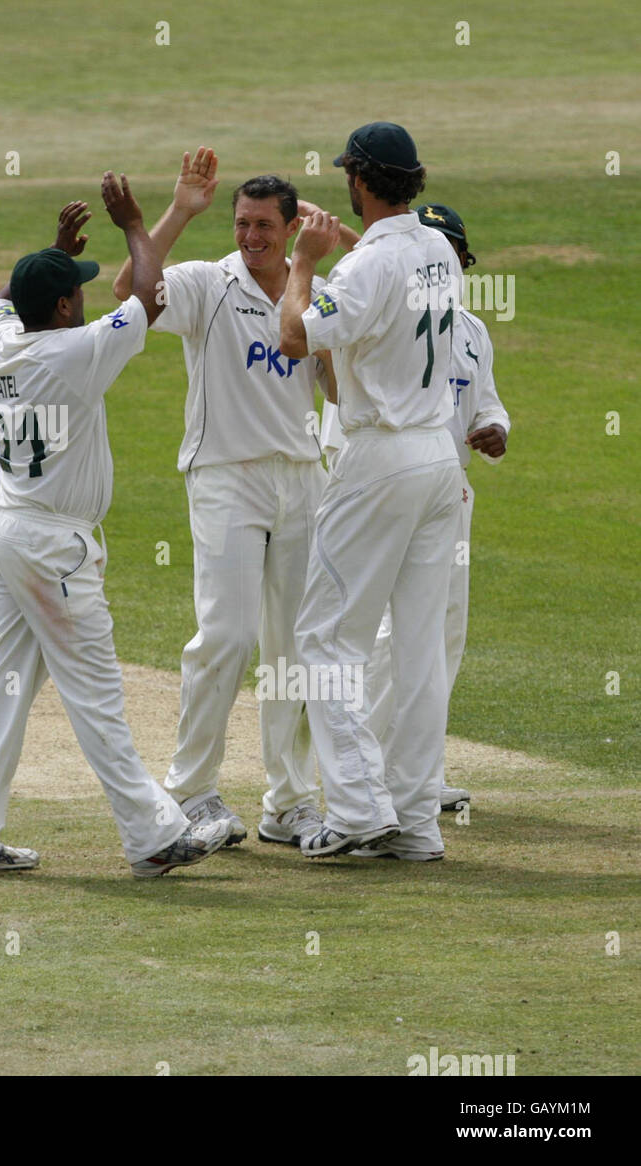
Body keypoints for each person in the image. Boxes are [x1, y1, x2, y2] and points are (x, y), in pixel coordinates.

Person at [0, 174, 231, 879]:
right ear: (64, 306)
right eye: (76, 289)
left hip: (8, 529)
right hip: (50, 547)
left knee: (2, 688)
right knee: (95, 693)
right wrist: (134, 224)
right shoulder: (74, 353)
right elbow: (148, 299)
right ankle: (154, 835)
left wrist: (51, 252)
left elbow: (7, 299)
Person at [112, 150, 336, 849]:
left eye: (265, 226)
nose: (251, 237)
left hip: (302, 478)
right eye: (242, 224)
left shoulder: (313, 289)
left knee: (294, 647)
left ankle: (289, 801)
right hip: (224, 477)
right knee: (226, 637)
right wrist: (179, 210)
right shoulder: (209, 283)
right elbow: (131, 295)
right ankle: (190, 791)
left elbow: (337, 391)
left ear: (293, 225)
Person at [279, 122, 462, 861]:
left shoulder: (360, 271)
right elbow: (389, 289)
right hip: (436, 458)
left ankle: (357, 809)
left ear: (357, 179)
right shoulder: (439, 251)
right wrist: (350, 252)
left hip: (377, 456)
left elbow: (296, 337)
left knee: (323, 638)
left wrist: (302, 264)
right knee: (417, 651)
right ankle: (416, 824)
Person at [319, 203, 510, 823]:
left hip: (443, 493)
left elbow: (489, 406)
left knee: (436, 637)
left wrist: (492, 428)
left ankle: (415, 782)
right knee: (376, 637)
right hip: (378, 482)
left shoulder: (472, 332)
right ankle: (374, 777)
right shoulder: (383, 303)